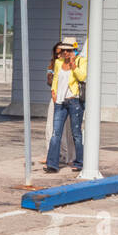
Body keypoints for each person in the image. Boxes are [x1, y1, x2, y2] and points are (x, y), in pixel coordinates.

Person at [45, 37, 85, 173]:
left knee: (76, 133)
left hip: (74, 100)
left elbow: (82, 77)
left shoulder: (81, 61)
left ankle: (79, 162)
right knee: (56, 133)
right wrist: (53, 92)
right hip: (60, 101)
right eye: (64, 50)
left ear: (74, 50)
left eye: (69, 50)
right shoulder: (58, 62)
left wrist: (74, 65)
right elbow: (56, 78)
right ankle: (52, 163)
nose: (66, 53)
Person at [42, 42, 75, 169]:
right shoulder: (55, 64)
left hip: (70, 98)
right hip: (56, 98)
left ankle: (69, 156)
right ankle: (51, 155)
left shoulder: (73, 63)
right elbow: (51, 81)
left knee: (69, 129)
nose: (60, 55)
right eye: (57, 53)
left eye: (62, 52)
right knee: (51, 127)